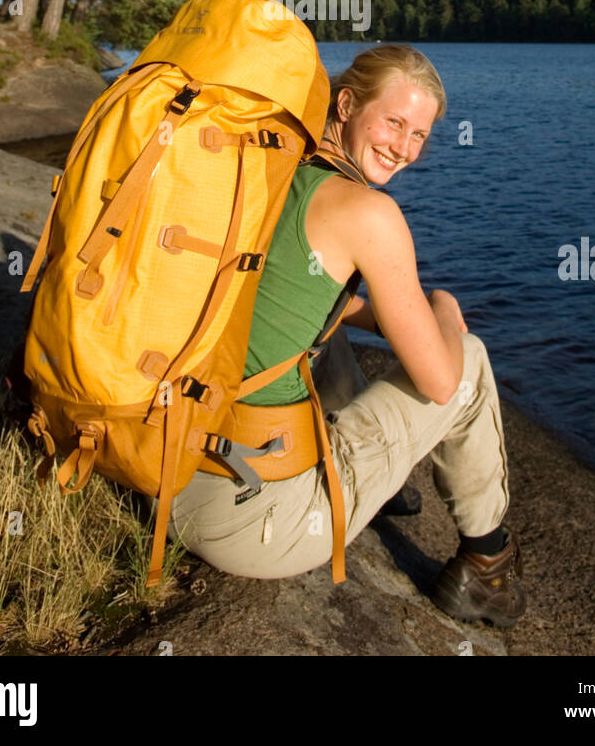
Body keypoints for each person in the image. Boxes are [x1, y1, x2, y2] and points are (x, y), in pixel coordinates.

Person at [167, 44, 526, 627]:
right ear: (347, 103)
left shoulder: (275, 166)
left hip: (171, 479)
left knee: (327, 333)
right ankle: (487, 563)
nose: (405, 147)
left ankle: (374, 487)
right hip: (253, 524)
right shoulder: (370, 214)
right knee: (471, 363)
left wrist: (381, 315)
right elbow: (439, 382)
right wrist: (441, 305)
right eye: (393, 122)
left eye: (419, 133)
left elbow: (289, 296)